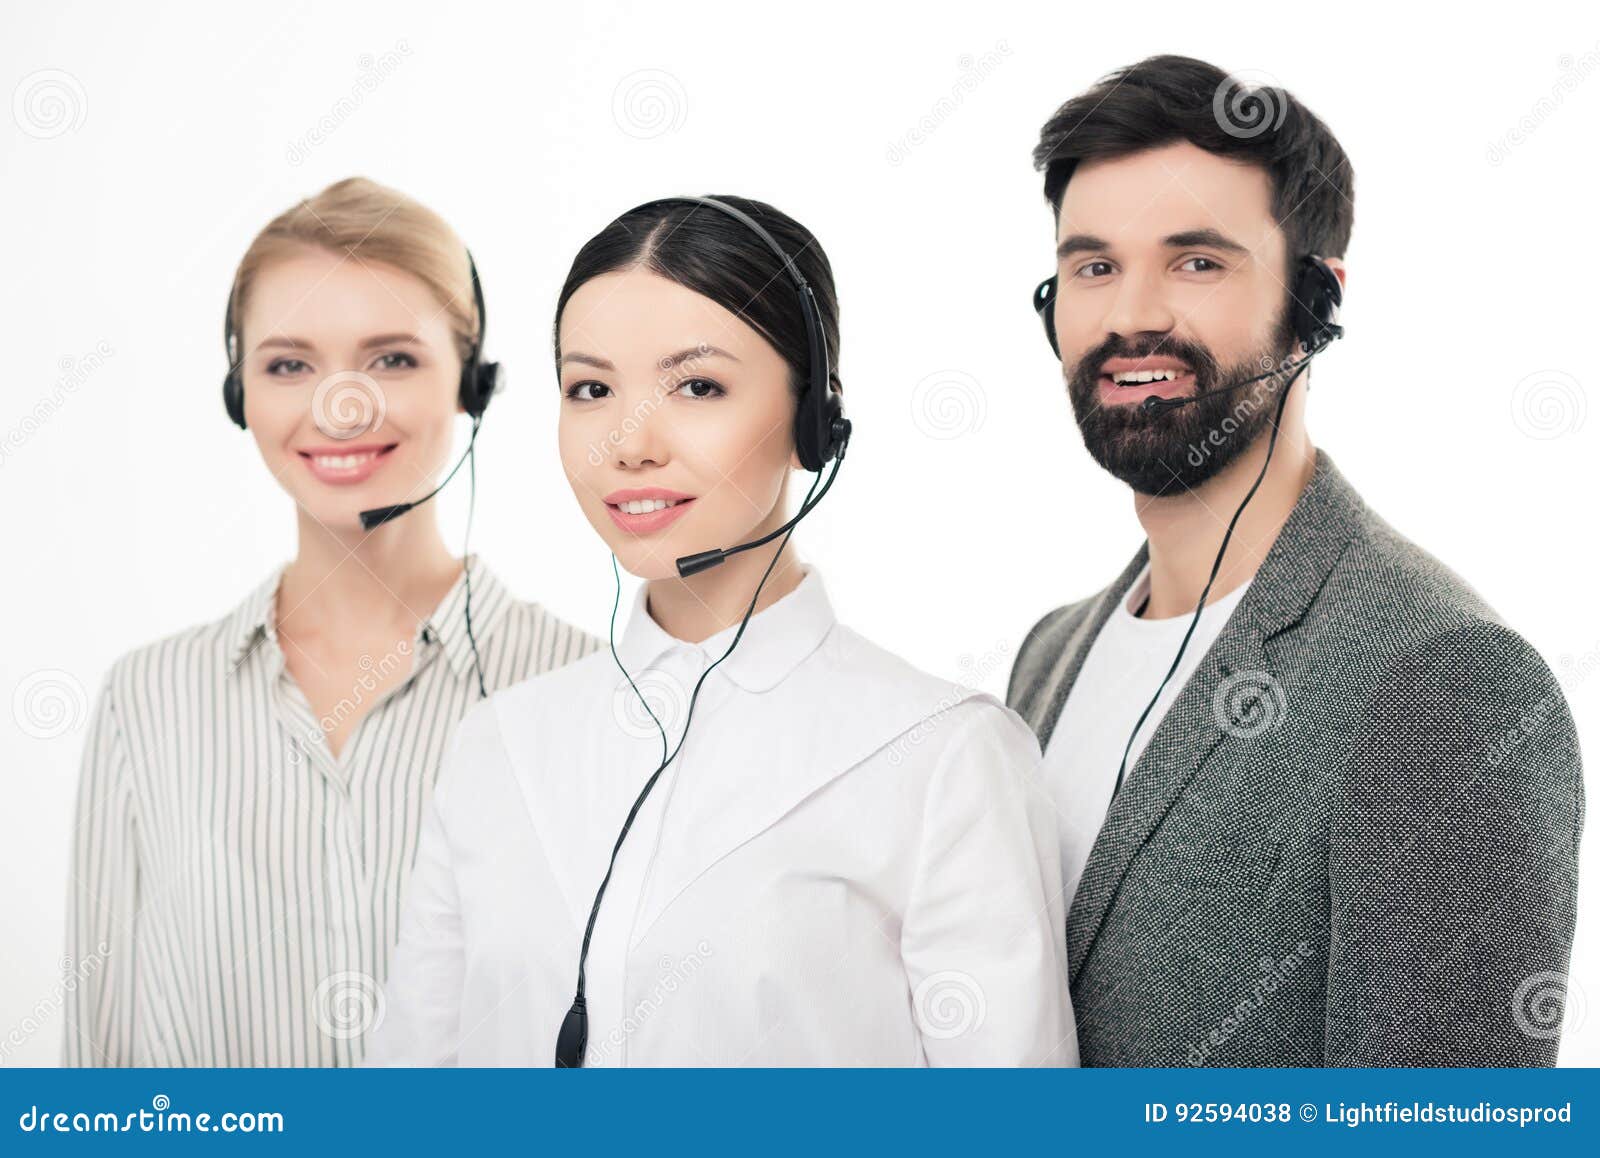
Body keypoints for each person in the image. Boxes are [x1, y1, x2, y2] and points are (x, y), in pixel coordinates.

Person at [369, 194, 1075, 1067]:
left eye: (697, 386)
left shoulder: (946, 759)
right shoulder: (497, 746)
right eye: (592, 389)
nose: (630, 444)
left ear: (814, 419)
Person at [1007, 55, 1584, 1066]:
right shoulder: (1048, 656)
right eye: (1094, 266)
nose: (1131, 315)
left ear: (1315, 301)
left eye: (1196, 262)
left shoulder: (1443, 679)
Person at [63, 177, 600, 1066]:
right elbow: (102, 1070)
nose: (340, 405)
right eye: (289, 365)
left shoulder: (590, 691)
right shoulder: (147, 701)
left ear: (471, 383)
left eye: (391, 359)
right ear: (239, 393)